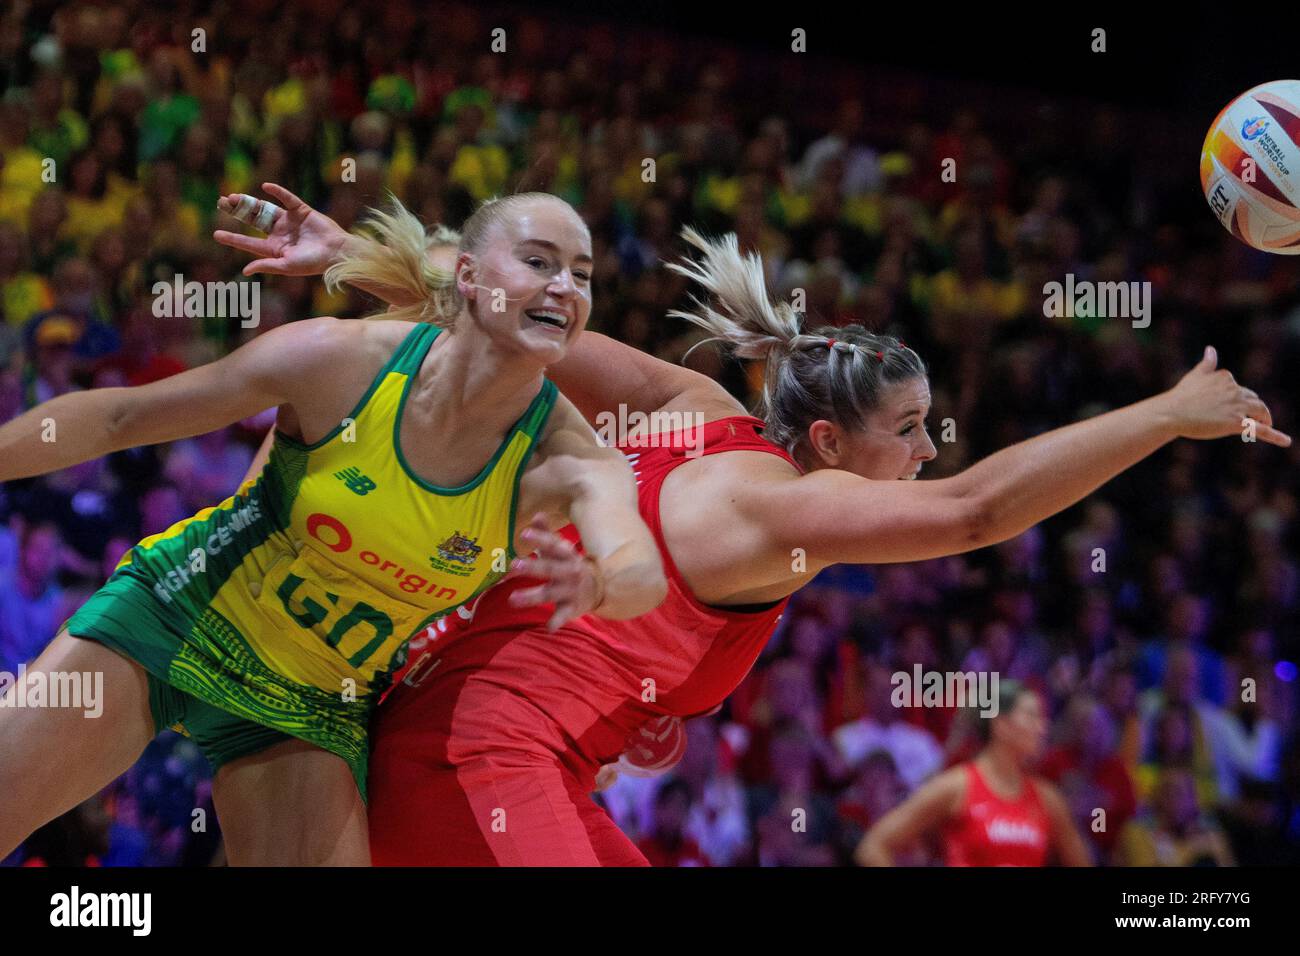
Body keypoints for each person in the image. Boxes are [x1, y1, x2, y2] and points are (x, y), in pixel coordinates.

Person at [222, 183, 1287, 866]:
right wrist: (1168, 413)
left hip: (478, 740)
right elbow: (978, 509)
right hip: (473, 755)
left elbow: (510, 314)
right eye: (908, 430)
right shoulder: (783, 504)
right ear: (825, 439)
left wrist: (351, 253)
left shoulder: (694, 413)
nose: (923, 454)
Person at [0, 186, 666, 866]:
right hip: (178, 617)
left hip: (313, 706)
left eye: (581, 274)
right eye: (539, 261)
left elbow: (638, 567)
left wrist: (596, 582)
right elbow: (122, 419)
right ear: (467, 274)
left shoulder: (572, 458)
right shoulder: (340, 360)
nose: (565, 287)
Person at [856, 681, 1092, 866]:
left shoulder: (1047, 799)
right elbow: (873, 846)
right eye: (1032, 716)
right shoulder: (957, 787)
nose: (1043, 727)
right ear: (1000, 724)